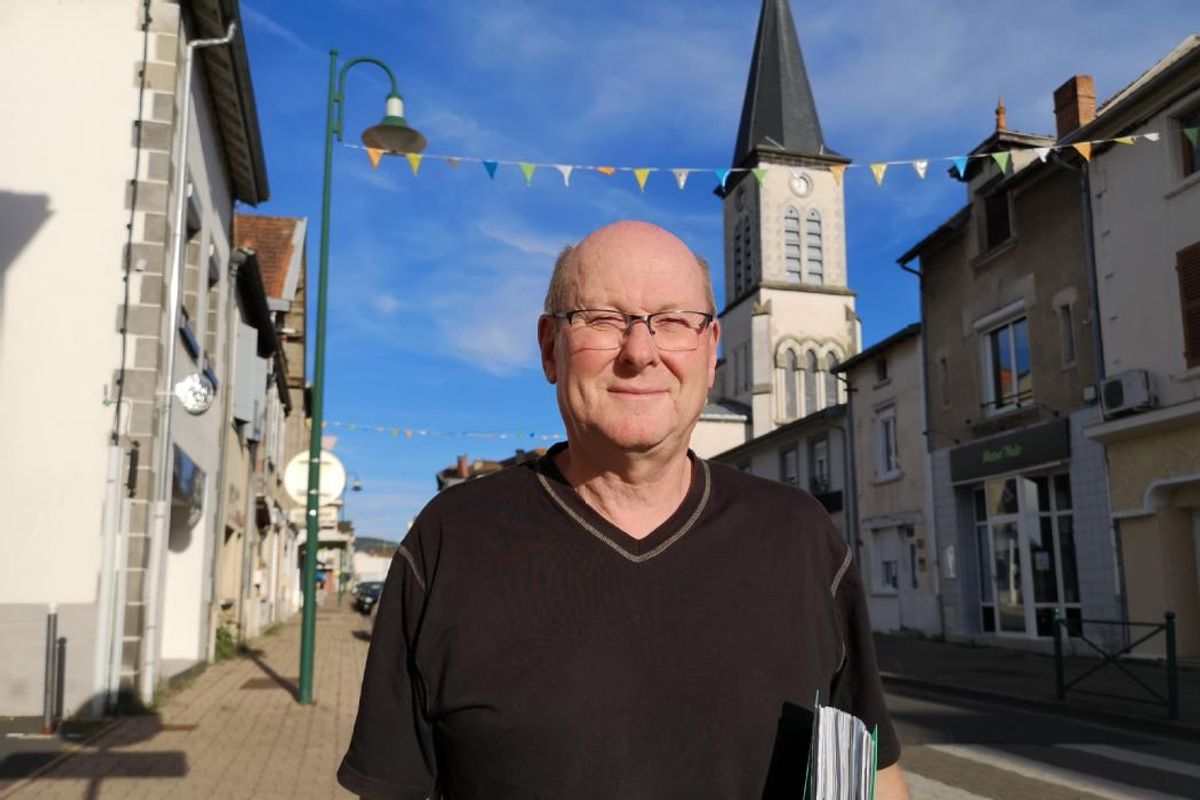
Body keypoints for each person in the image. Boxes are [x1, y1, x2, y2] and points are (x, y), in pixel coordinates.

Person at [338, 221, 909, 799]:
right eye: (603, 319)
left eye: (674, 321)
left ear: (712, 349)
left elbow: (871, 776)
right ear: (549, 348)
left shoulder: (801, 537)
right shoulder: (449, 540)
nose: (639, 352)